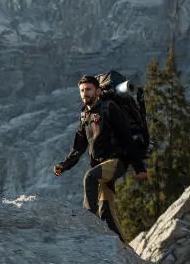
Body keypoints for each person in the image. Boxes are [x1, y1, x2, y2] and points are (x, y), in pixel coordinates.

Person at [53, 74, 148, 242]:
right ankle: (122, 247)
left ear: (97, 91)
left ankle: (88, 222)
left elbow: (126, 138)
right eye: (82, 90)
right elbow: (78, 147)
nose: (84, 94)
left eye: (88, 89)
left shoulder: (109, 108)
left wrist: (139, 168)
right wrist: (64, 165)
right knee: (106, 211)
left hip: (117, 161)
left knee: (90, 177)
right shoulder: (84, 115)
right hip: (101, 166)